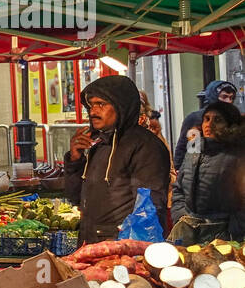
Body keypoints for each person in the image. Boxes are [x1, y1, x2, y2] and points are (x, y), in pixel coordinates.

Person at [63, 75, 172, 246]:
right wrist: (75, 161)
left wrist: (133, 252)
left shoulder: (145, 146)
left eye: (101, 104)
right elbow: (75, 197)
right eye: (91, 105)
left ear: (121, 106)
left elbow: (149, 208)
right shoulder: (98, 144)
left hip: (122, 248)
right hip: (92, 244)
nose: (93, 111)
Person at [170, 101, 245, 242]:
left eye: (217, 120)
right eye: (206, 119)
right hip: (189, 231)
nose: (209, 125)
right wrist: (180, 216)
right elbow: (179, 189)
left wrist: (234, 231)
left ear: (230, 125)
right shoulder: (194, 148)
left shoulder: (238, 155)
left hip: (225, 236)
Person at [174, 80, 237, 170]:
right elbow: (183, 148)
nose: (228, 101)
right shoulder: (195, 118)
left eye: (231, 98)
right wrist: (179, 172)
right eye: (224, 97)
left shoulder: (234, 119)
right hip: (201, 172)